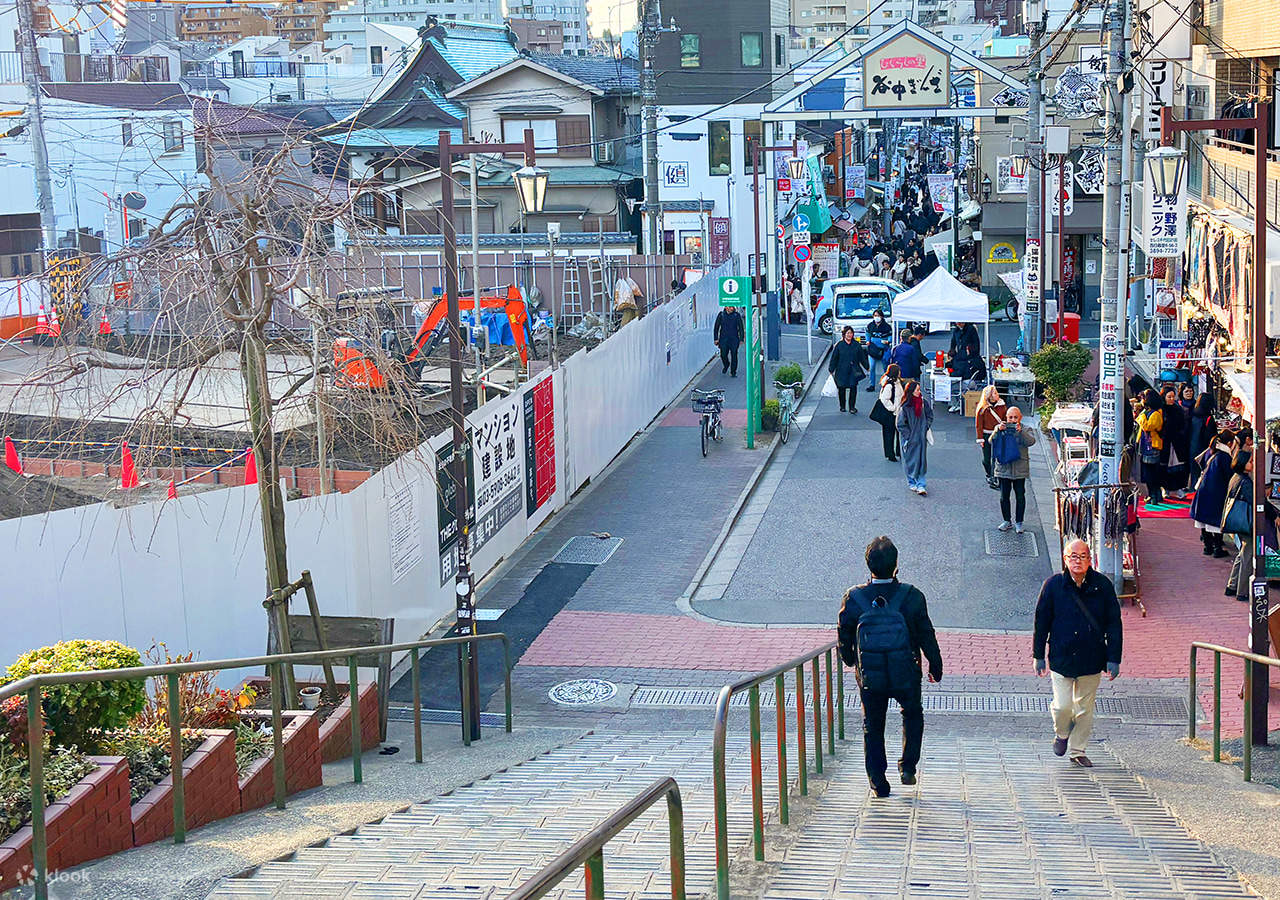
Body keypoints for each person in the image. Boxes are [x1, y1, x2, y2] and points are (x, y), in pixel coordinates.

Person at [837, 536, 943, 797]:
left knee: (873, 724)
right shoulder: (912, 596)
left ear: (868, 565)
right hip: (906, 670)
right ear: (896, 565)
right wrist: (935, 664)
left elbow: (844, 635)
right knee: (912, 713)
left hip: (870, 676)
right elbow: (926, 633)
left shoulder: (854, 598)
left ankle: (878, 781)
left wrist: (851, 661)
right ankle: (908, 767)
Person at [1033, 539, 1123, 768]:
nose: (1077, 561)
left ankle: (1078, 750)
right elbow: (1041, 621)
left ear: (1090, 560)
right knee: (1063, 706)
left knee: (1084, 710)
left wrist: (1114, 658)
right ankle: (1062, 733)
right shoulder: (1053, 585)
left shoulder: (1102, 586)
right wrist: (1038, 655)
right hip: (1061, 658)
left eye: (1082, 556)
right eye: (1073, 556)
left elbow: (1114, 623)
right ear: (1065, 559)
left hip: (1091, 658)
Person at [991, 406, 1038, 533]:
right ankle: (1007, 520)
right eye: (1010, 417)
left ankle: (1019, 522)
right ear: (1006, 417)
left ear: (1020, 418)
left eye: (1015, 417)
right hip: (1003, 467)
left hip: (1019, 468)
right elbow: (991, 441)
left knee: (1020, 496)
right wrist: (998, 431)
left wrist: (1020, 431)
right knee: (1004, 496)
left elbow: (1031, 441)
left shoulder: (1025, 428)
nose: (1012, 420)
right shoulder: (1000, 427)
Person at [1189, 430, 1235, 558]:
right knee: (1215, 521)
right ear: (1229, 443)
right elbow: (1229, 476)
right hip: (1216, 492)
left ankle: (1207, 547)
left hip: (1204, 489)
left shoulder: (1210, 451)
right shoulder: (1225, 457)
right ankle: (1217, 548)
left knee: (1203, 520)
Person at [896, 380, 933, 495]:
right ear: (911, 391)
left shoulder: (923, 403)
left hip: (920, 438)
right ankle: (912, 481)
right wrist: (909, 437)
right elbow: (900, 424)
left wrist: (926, 426)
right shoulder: (905, 407)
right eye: (917, 389)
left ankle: (921, 484)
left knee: (921, 461)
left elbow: (929, 415)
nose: (919, 392)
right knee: (910, 461)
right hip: (911, 439)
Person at [975, 385, 1008, 490]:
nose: (997, 394)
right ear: (989, 396)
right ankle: (989, 474)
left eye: (997, 392)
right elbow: (979, 425)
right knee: (987, 457)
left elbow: (1005, 419)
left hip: (999, 433)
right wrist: (980, 438)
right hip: (987, 434)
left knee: (997, 456)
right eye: (994, 393)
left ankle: (996, 476)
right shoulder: (982, 408)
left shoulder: (1002, 406)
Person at [1137, 389, 1167, 504]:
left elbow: (1147, 426)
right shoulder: (1147, 412)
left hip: (1152, 447)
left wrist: (1142, 417)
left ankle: (1153, 495)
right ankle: (1154, 495)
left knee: (1151, 473)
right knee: (1149, 472)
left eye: (1143, 398)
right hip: (1145, 446)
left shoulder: (1155, 414)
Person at [829, 326, 869, 413]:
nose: (849, 335)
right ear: (844, 335)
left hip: (853, 370)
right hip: (841, 370)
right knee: (841, 388)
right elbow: (834, 358)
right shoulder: (839, 345)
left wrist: (867, 366)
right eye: (847, 333)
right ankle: (842, 406)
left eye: (851, 333)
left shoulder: (856, 345)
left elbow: (862, 357)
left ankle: (852, 407)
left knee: (853, 388)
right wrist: (831, 369)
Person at [1161, 387, 1190, 498]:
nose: (1172, 399)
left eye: (1173, 396)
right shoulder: (1161, 410)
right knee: (1164, 467)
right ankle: (1165, 488)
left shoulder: (1178, 410)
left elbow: (1183, 425)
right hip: (1164, 443)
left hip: (1177, 443)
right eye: (1169, 397)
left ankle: (1178, 488)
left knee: (1178, 467)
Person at [872, 364, 903, 461]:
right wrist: (893, 408)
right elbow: (884, 399)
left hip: (896, 412)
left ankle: (897, 451)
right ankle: (891, 454)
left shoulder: (895, 383)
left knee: (895, 433)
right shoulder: (890, 385)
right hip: (891, 414)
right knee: (889, 434)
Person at [1187, 392, 1217, 486]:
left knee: (1194, 471)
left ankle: (1193, 487)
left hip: (1192, 447)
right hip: (1204, 448)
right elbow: (1211, 435)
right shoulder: (1208, 418)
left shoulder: (1192, 414)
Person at [865, 309, 893, 389]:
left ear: (882, 316)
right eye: (875, 316)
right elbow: (867, 334)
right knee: (872, 366)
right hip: (873, 349)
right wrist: (868, 341)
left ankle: (886, 384)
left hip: (883, 348)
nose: (877, 317)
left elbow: (890, 336)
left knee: (885, 367)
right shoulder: (870, 325)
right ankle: (872, 384)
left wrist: (888, 341)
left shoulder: (887, 326)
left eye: (878, 316)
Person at [713, 304, 744, 376]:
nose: (731, 308)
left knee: (734, 355)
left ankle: (733, 372)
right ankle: (726, 364)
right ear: (725, 307)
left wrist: (741, 338)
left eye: (732, 307)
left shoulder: (736, 315)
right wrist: (716, 338)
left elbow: (740, 327)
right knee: (723, 355)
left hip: (734, 339)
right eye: (729, 307)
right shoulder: (721, 315)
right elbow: (716, 328)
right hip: (723, 339)